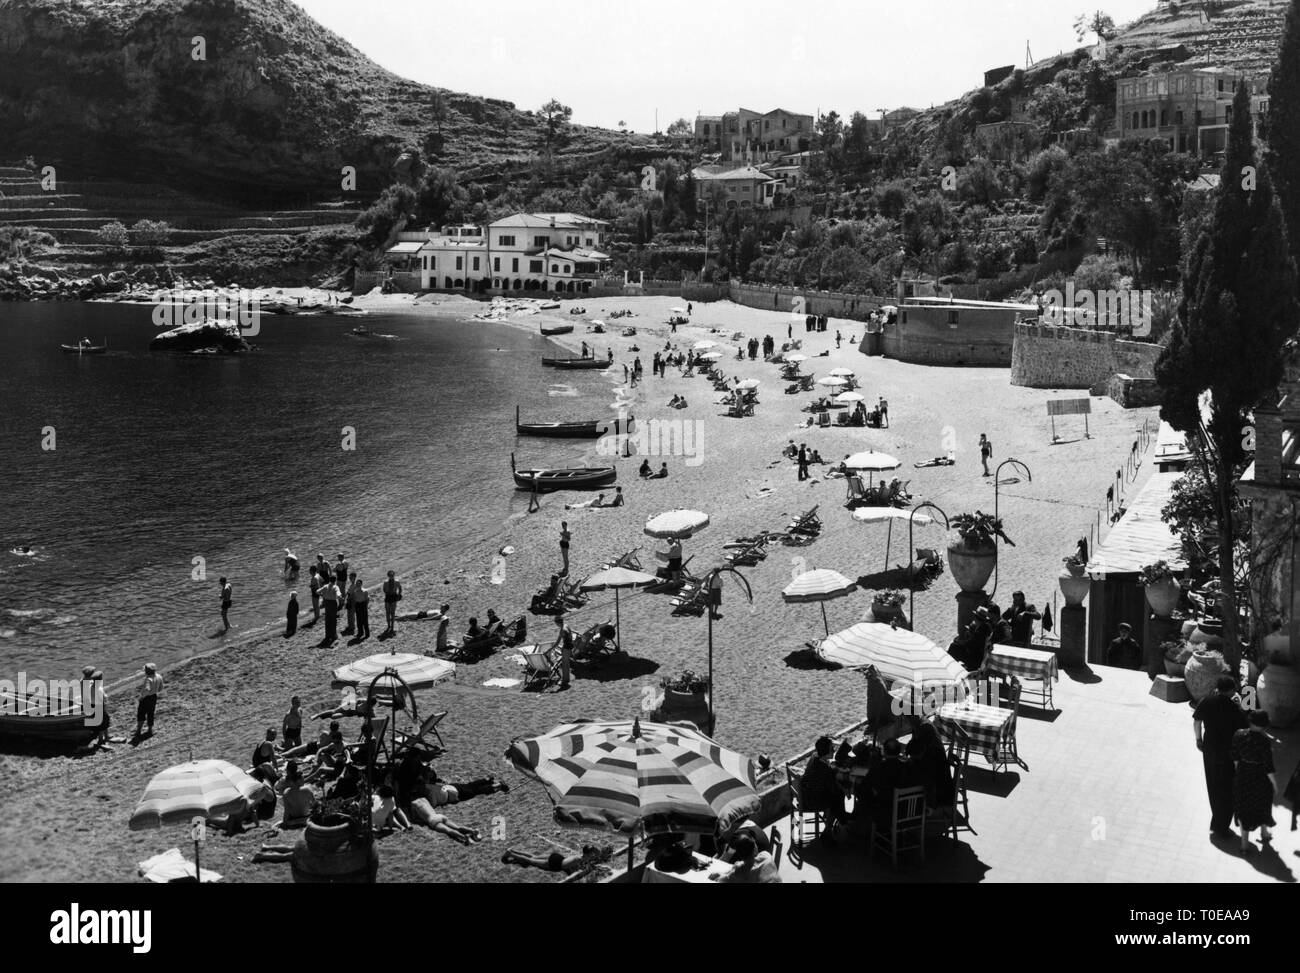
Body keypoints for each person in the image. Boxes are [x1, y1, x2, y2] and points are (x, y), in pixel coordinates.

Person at [1193, 675, 1248, 837]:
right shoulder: (1234, 708)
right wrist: (1241, 708)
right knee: (1226, 788)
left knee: (1213, 784)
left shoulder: (1207, 701)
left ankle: (1216, 820)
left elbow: (1197, 721)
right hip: (1228, 753)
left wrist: (1198, 739)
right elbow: (1245, 728)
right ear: (1231, 690)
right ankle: (1221, 826)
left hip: (1209, 748)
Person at [1231, 709, 1276, 852]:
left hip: (1243, 773)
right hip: (1260, 777)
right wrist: (1274, 784)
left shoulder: (1239, 734)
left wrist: (1239, 773)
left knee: (1244, 808)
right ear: (1264, 725)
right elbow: (1268, 766)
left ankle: (1244, 844)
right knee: (1263, 804)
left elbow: (1235, 757)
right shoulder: (1264, 741)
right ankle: (1264, 832)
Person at [799, 737, 849, 839]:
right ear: (826, 751)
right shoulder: (825, 770)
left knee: (837, 795)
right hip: (812, 802)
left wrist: (833, 770)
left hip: (806, 795)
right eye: (832, 749)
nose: (834, 750)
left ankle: (839, 822)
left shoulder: (814, 757)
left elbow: (826, 773)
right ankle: (831, 829)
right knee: (838, 797)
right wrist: (845, 789)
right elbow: (833, 788)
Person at [906, 722, 955, 808]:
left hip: (939, 798)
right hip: (943, 792)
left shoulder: (931, 759)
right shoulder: (932, 750)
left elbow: (926, 784)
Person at [501, 845, 610, 875]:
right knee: (531, 861)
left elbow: (595, 854)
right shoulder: (581, 859)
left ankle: (513, 850)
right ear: (590, 853)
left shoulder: (581, 855)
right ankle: (511, 854)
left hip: (557, 857)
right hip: (556, 863)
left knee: (533, 856)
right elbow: (578, 867)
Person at [273, 761, 316, 828]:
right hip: (306, 815)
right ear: (298, 781)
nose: (304, 780)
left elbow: (287, 810)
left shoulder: (286, 792)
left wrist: (284, 823)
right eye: (302, 779)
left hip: (294, 817)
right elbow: (314, 804)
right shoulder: (307, 789)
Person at [134, 663, 163, 738]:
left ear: (148, 671)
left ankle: (138, 731)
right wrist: (154, 690)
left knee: (141, 714)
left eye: (145, 670)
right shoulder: (159, 676)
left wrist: (142, 697)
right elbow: (161, 688)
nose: (145, 671)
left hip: (146, 698)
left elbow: (147, 689)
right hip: (153, 697)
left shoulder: (148, 679)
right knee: (151, 713)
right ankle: (150, 730)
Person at [552, 612, 574, 690]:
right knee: (567, 664)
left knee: (564, 665)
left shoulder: (562, 630)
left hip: (566, 648)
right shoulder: (566, 626)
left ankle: (565, 680)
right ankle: (566, 678)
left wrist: (552, 648)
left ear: (558, 623)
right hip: (570, 646)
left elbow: (558, 641)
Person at [320, 573, 341, 644]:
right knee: (333, 620)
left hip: (327, 603)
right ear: (335, 580)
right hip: (333, 603)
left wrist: (323, 596)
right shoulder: (335, 587)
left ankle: (327, 635)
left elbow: (317, 591)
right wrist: (339, 597)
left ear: (329, 580)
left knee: (327, 619)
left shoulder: (325, 586)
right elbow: (338, 594)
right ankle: (334, 635)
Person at [383, 570, 402, 636]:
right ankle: (389, 625)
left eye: (392, 575)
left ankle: (392, 626)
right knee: (387, 612)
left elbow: (400, 588)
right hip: (388, 597)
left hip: (394, 597)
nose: (391, 576)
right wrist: (387, 592)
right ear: (388, 576)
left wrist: (399, 595)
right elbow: (384, 590)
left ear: (394, 575)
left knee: (393, 612)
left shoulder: (397, 582)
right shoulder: (385, 582)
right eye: (390, 575)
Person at [343, 571, 358, 636]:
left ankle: (351, 627)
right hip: (350, 600)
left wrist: (348, 597)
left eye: (351, 577)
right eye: (349, 577)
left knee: (351, 614)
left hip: (352, 601)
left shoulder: (355, 585)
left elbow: (353, 594)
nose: (349, 578)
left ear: (354, 578)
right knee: (349, 614)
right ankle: (351, 626)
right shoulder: (352, 585)